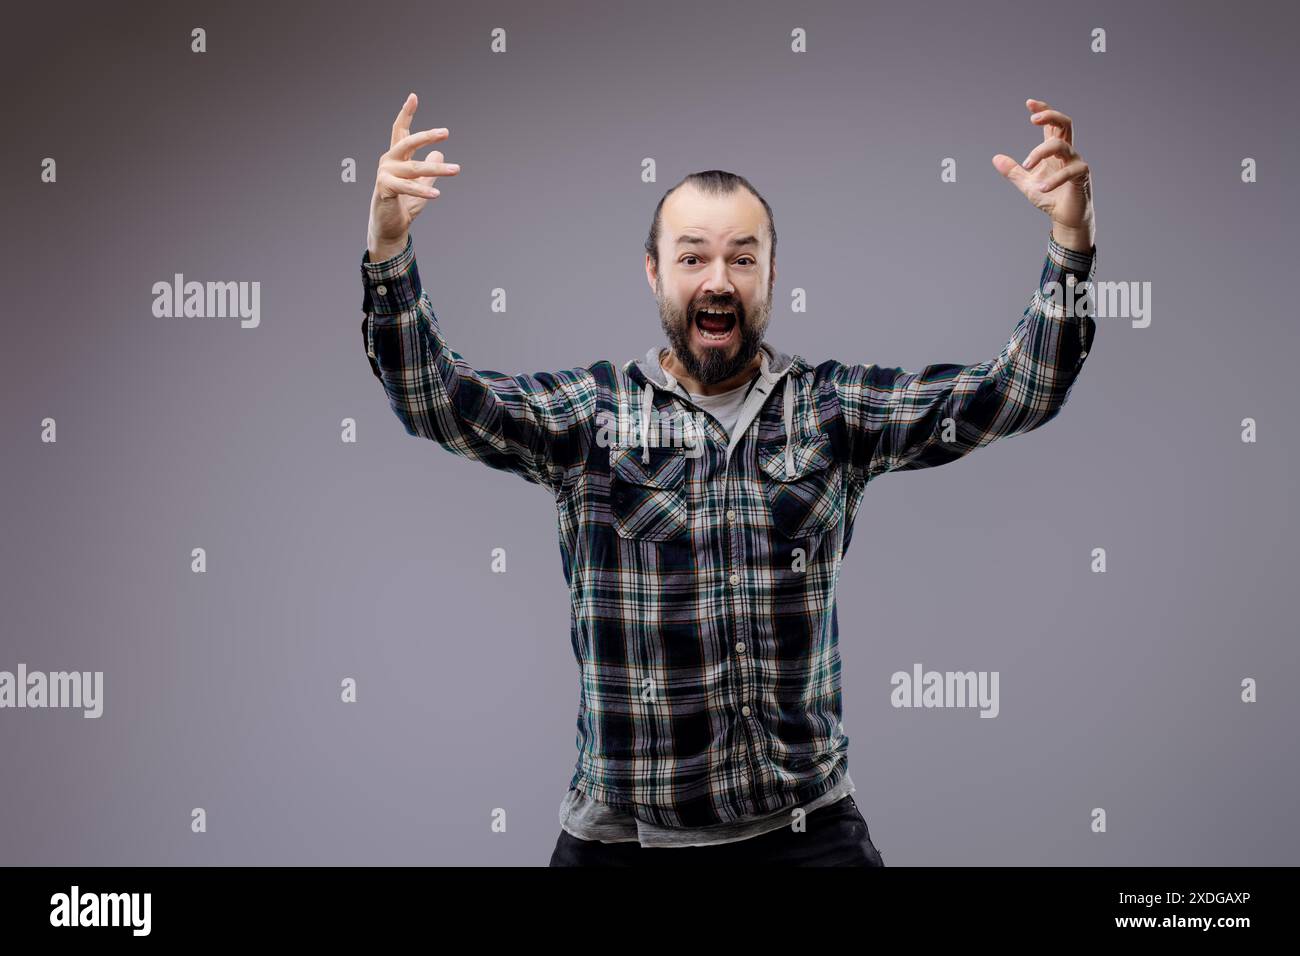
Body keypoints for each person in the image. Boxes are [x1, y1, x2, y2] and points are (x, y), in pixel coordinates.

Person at [360, 93, 1097, 866]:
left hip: (805, 833)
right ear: (654, 273)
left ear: (771, 273)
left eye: (742, 258)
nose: (719, 281)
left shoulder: (829, 409)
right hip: (625, 843)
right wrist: (388, 251)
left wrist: (1070, 239)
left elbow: (1017, 392)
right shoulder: (591, 415)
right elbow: (435, 400)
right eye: (693, 257)